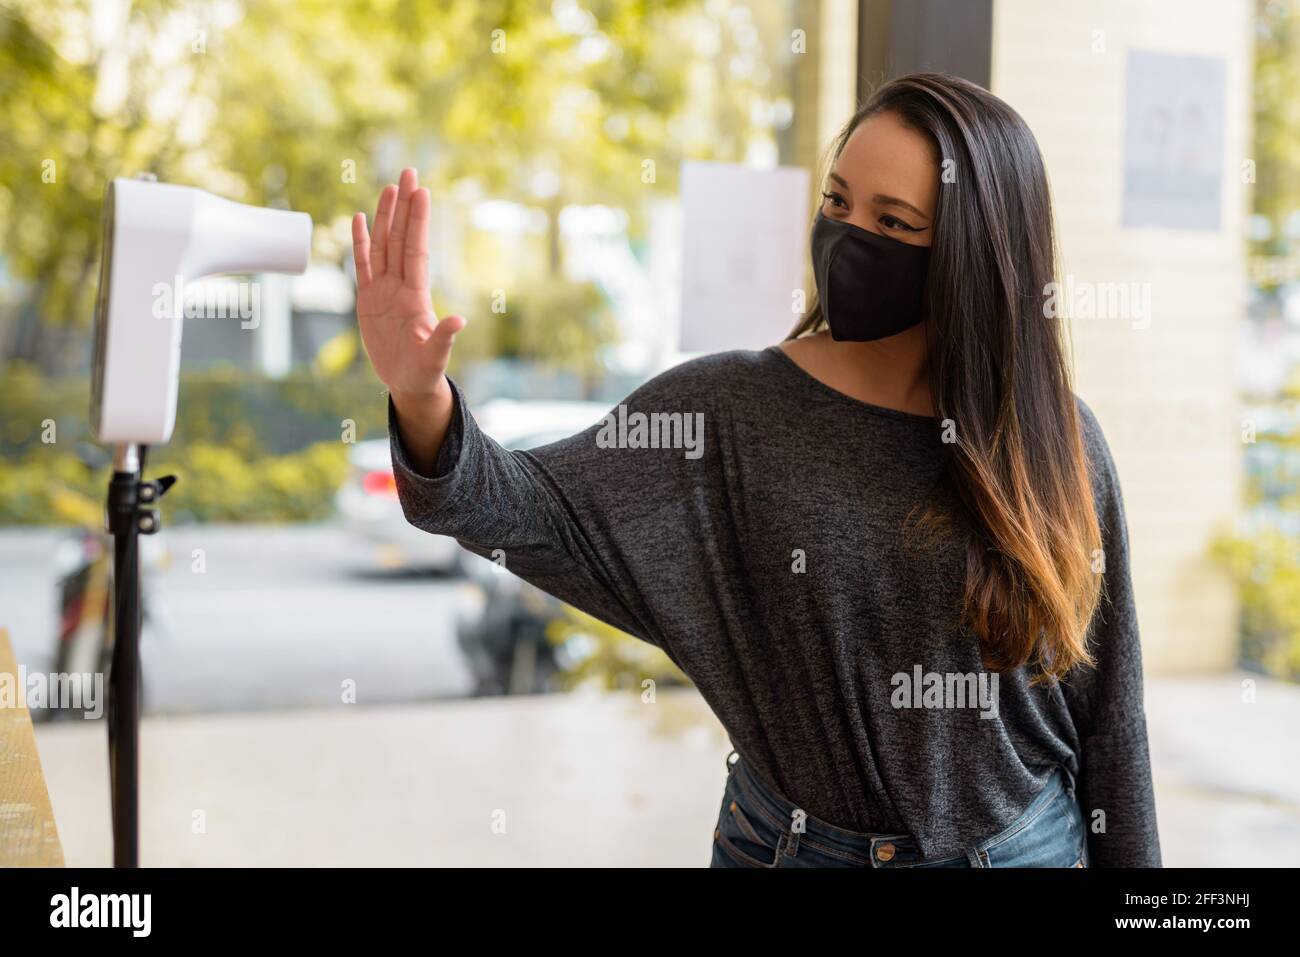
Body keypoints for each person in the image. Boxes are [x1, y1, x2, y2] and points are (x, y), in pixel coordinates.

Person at [350, 72, 1161, 868]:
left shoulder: (1056, 443)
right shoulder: (730, 408)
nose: (847, 235)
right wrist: (420, 396)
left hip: (1028, 850)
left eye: (894, 221)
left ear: (972, 255)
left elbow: (1111, 724)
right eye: (837, 202)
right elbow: (523, 508)